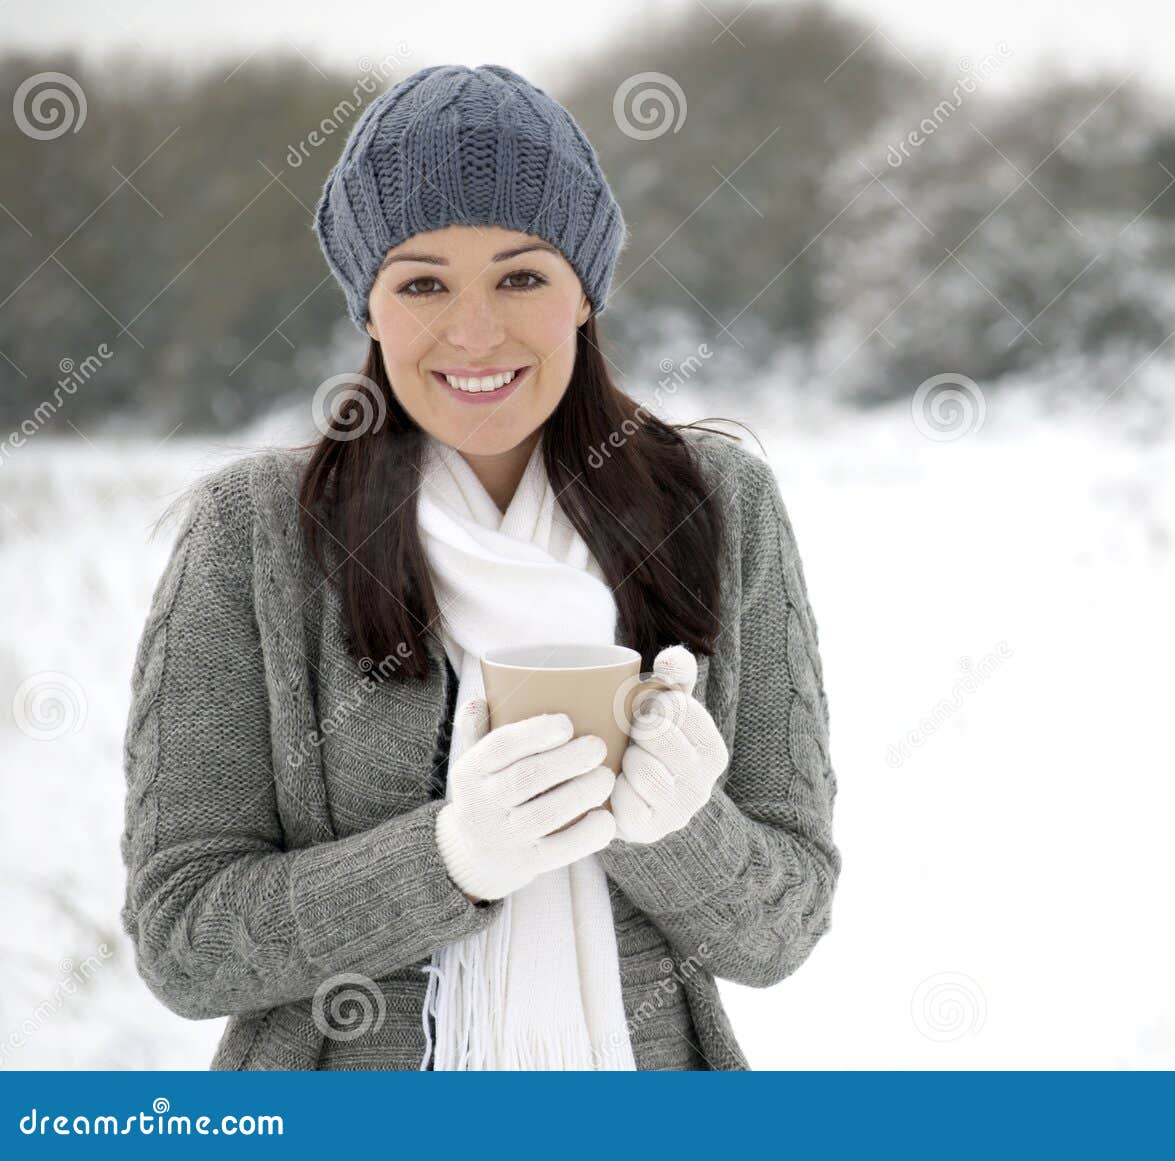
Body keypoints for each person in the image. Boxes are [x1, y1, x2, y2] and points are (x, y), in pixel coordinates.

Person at [119, 63, 840, 1070]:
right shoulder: (256, 533)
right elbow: (185, 941)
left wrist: (681, 829)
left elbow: (782, 930)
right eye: (421, 283)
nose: (473, 331)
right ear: (367, 308)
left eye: (520, 277)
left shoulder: (718, 507)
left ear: (583, 294)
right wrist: (449, 859)